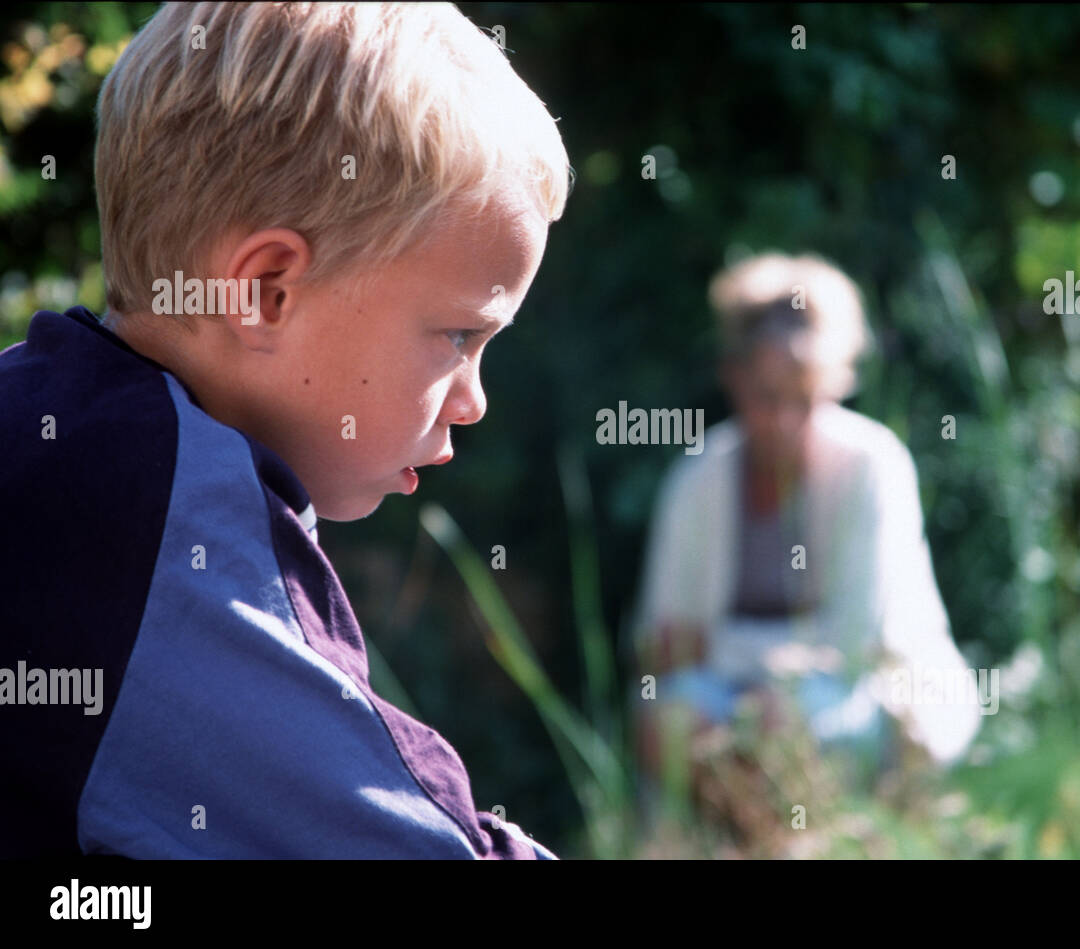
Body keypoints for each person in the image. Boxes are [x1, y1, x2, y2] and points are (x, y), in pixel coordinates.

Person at [0, 2, 572, 858]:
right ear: (265, 291)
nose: (473, 400)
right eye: (459, 336)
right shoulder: (160, 513)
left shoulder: (43, 412)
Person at [632, 252, 983, 793]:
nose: (785, 421)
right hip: (727, 696)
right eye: (767, 397)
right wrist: (759, 680)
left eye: (806, 398)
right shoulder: (698, 477)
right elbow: (661, 640)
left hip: (862, 692)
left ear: (837, 382)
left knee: (783, 726)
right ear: (734, 378)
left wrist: (751, 671)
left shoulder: (873, 463)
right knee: (667, 725)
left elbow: (853, 642)